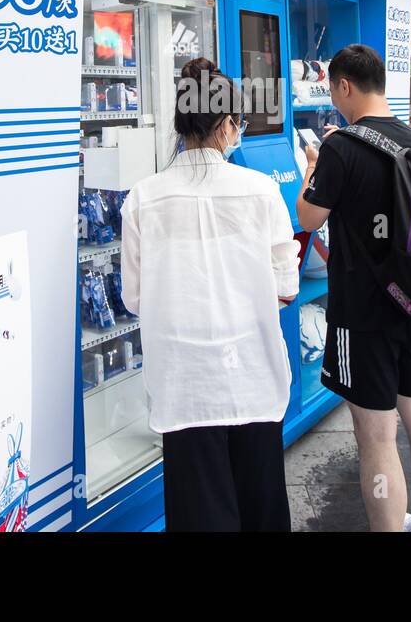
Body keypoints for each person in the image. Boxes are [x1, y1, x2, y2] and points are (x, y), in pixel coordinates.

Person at [121, 58, 299, 532]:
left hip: (183, 386)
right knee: (261, 508)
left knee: (199, 514)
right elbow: (286, 290)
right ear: (226, 126)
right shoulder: (262, 192)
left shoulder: (142, 198)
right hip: (254, 376)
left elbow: (134, 298)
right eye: (237, 122)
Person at [296, 44, 411, 532]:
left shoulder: (341, 147)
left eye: (332, 90)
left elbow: (308, 216)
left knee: (378, 438)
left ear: (345, 86)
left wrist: (312, 170)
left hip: (361, 312)